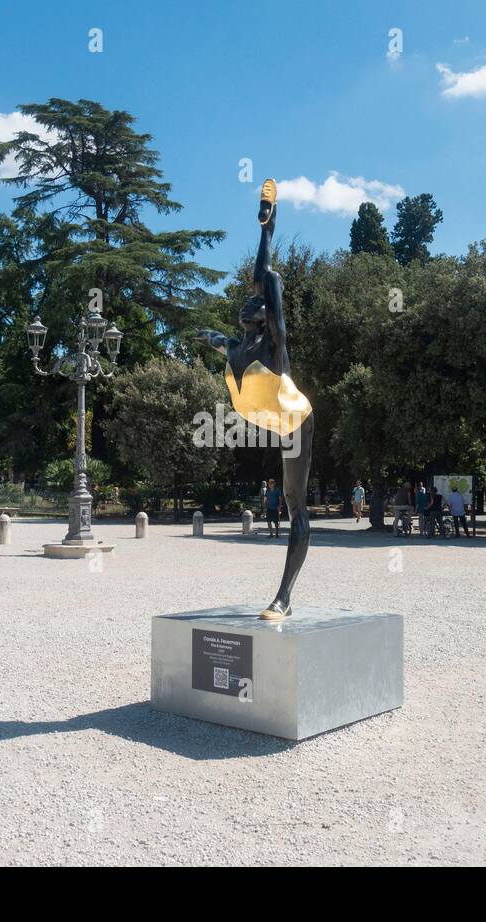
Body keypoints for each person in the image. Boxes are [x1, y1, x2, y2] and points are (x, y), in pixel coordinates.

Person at [194, 179, 314, 620]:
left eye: (259, 303)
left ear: (267, 316)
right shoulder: (232, 347)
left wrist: (267, 227)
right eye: (247, 302)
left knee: (295, 503)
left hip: (295, 421)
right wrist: (195, 332)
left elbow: (265, 279)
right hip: (271, 421)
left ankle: (284, 595)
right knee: (285, 499)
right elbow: (212, 336)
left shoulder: (273, 346)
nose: (250, 302)